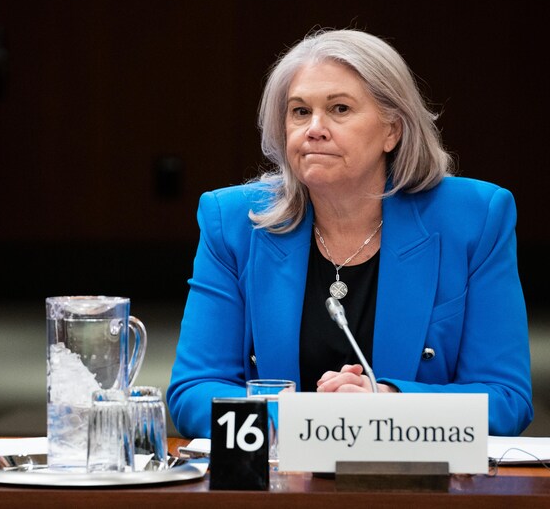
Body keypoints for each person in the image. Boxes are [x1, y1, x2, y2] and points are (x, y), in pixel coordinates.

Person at [167, 29, 532, 438]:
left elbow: (506, 399)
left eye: (339, 109)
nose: (315, 128)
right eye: (300, 112)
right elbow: (193, 392)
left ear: (392, 129)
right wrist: (313, 423)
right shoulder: (234, 220)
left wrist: (389, 404)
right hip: (281, 489)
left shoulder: (474, 218)